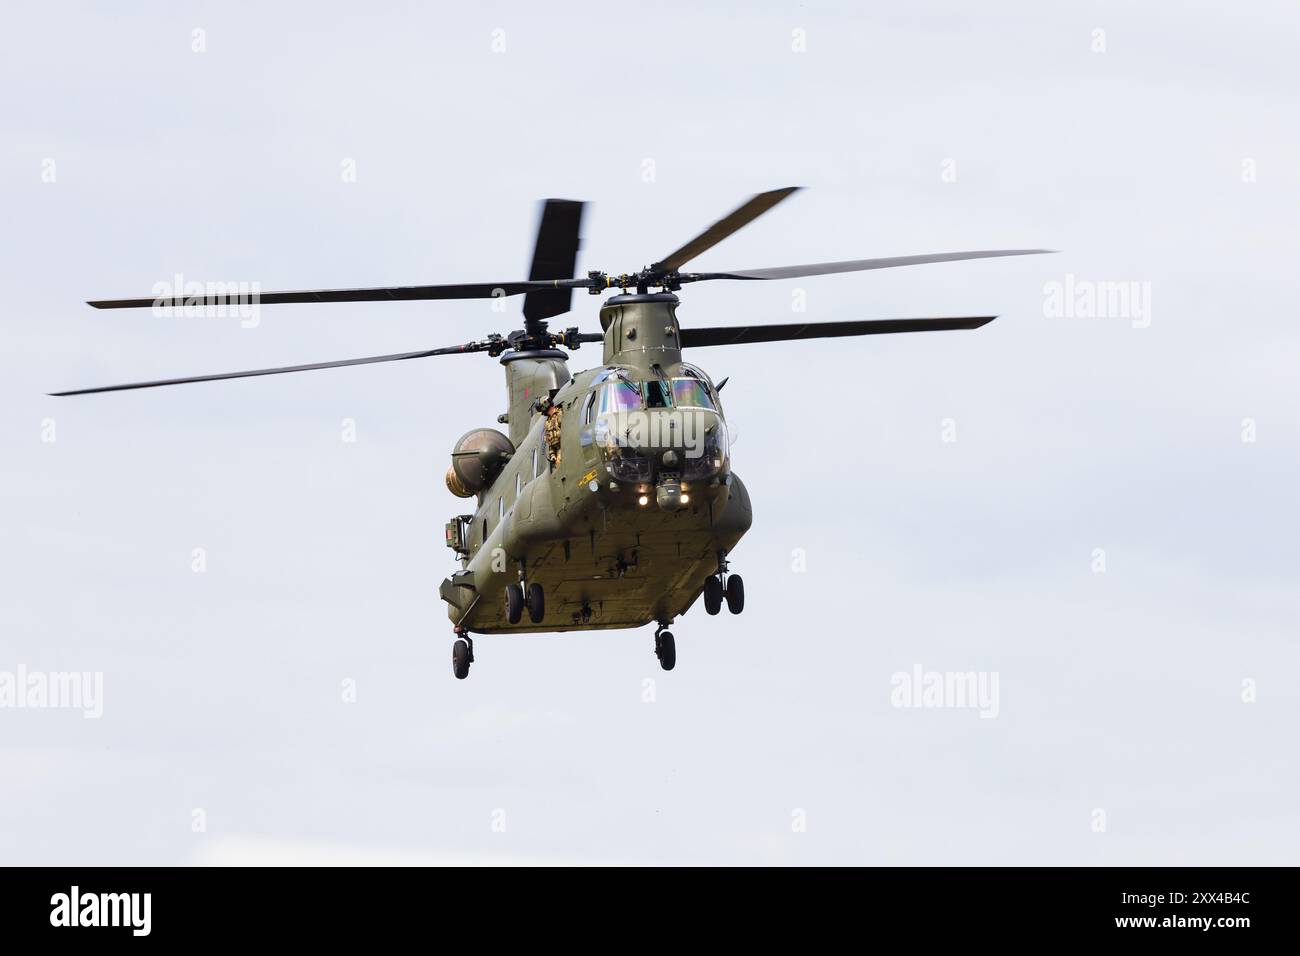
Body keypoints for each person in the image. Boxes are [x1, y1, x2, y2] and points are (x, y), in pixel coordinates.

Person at [543, 401, 563, 469]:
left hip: (562, 445)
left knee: (559, 462)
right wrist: (552, 455)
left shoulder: (559, 414)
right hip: (557, 448)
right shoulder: (547, 423)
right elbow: (550, 443)